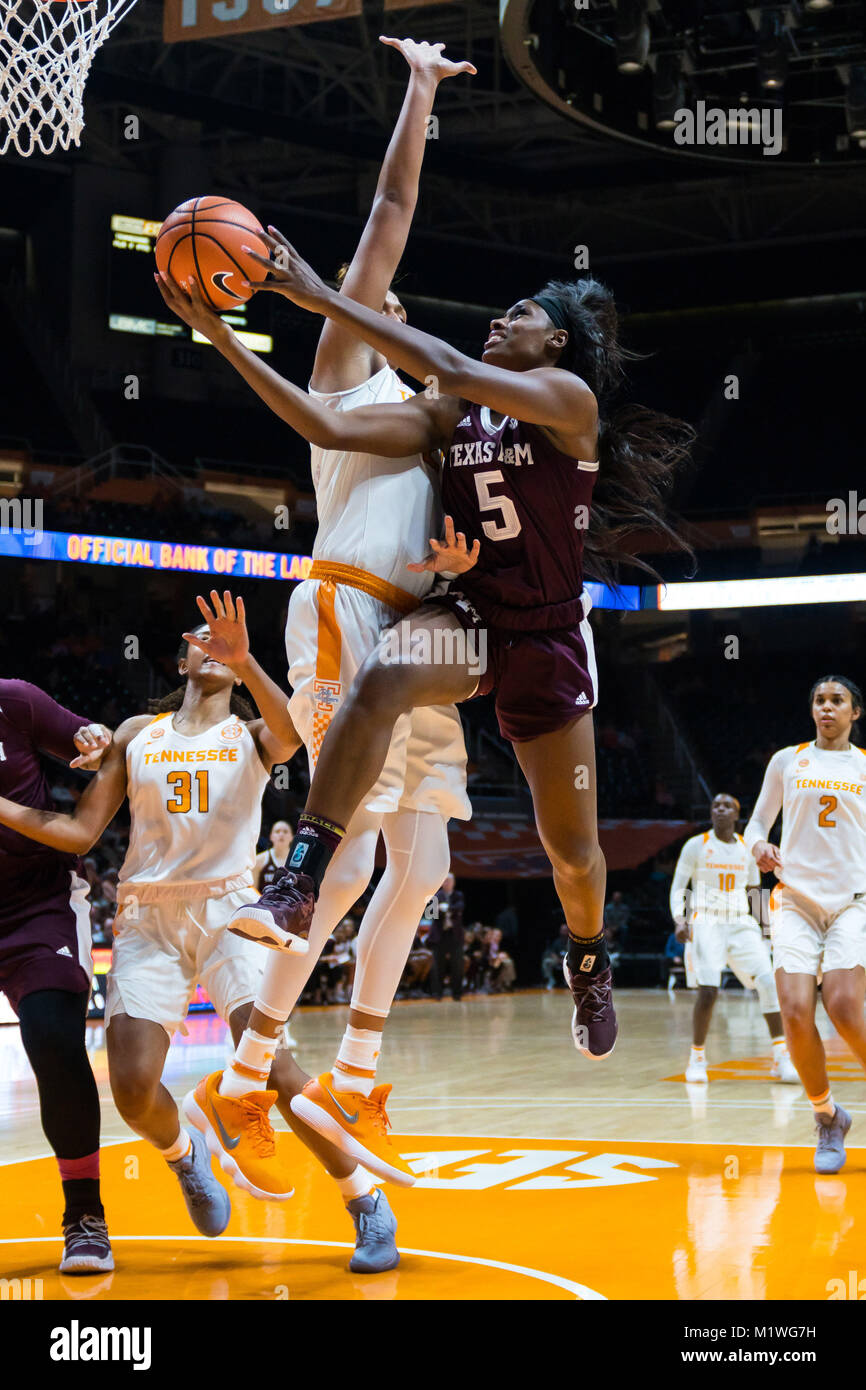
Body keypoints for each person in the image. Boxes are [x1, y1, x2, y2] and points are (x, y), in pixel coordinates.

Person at [155, 149, 694, 1189]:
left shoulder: (563, 397)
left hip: (542, 640)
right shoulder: (441, 414)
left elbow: (445, 362)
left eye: (520, 314)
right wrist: (225, 329)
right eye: (497, 312)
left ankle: (584, 960)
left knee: (569, 854)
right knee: (380, 689)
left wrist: (313, 290)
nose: (502, 319)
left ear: (559, 341)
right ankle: (302, 875)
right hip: (456, 618)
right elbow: (326, 416)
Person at [158, 36, 476, 1268]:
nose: (385, 301)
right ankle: (245, 1073)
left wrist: (447, 579)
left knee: (429, 863)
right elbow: (388, 216)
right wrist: (415, 92)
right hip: (341, 613)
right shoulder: (345, 363)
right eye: (373, 294)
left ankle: (350, 1067)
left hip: (406, 628)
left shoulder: (435, 410)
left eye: (389, 303)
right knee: (339, 863)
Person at [0, 596, 314, 1240]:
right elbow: (82, 829)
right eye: (203, 637)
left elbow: (292, 734)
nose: (215, 643)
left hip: (230, 910)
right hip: (148, 916)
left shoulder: (253, 735)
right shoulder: (136, 731)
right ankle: (186, 1156)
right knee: (135, 1088)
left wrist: (248, 659)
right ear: (181, 658)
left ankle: (360, 1199)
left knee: (276, 1066)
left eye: (225, 639)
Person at [0, 682, 112, 1274]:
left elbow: (88, 736)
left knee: (52, 1038)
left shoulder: (13, 701)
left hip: (35, 902)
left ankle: (84, 1215)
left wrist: (92, 737)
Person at [744, 675, 866, 1174]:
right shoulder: (786, 760)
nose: (826, 708)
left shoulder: (864, 766)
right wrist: (760, 847)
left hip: (852, 901)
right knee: (794, 1010)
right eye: (819, 700)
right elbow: (757, 823)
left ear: (855, 712)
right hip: (794, 900)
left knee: (841, 1005)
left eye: (837, 701)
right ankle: (827, 1117)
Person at [670, 792, 797, 1085]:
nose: (720, 809)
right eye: (716, 805)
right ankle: (697, 1058)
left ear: (737, 814)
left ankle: (780, 1058)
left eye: (727, 805)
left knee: (768, 982)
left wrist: (769, 930)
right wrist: (680, 918)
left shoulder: (745, 848)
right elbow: (679, 886)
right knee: (709, 990)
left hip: (740, 920)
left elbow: (754, 892)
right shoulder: (696, 845)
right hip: (707, 919)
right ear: (712, 813)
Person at [429, 870, 465, 1000]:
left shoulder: (458, 895)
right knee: (438, 966)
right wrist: (438, 909)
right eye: (445, 880)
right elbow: (429, 914)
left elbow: (460, 907)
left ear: (454, 883)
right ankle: (437, 994)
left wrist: (446, 908)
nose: (447, 883)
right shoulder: (434, 896)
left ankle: (457, 994)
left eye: (449, 880)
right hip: (439, 936)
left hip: (455, 936)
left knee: (457, 965)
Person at [255, 820, 293, 890]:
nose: (281, 834)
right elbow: (253, 890)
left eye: (285, 832)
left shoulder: (297, 861)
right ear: (271, 837)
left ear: (292, 837)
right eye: (277, 831)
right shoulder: (259, 860)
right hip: (265, 900)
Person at [541, 922, 570, 990]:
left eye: (565, 930)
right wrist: (558, 960)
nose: (564, 932)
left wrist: (565, 961)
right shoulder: (557, 942)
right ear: (560, 931)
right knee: (547, 962)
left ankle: (568, 981)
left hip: (568, 962)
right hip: (558, 961)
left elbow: (573, 954)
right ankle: (551, 980)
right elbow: (552, 952)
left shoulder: (571, 942)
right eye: (562, 930)